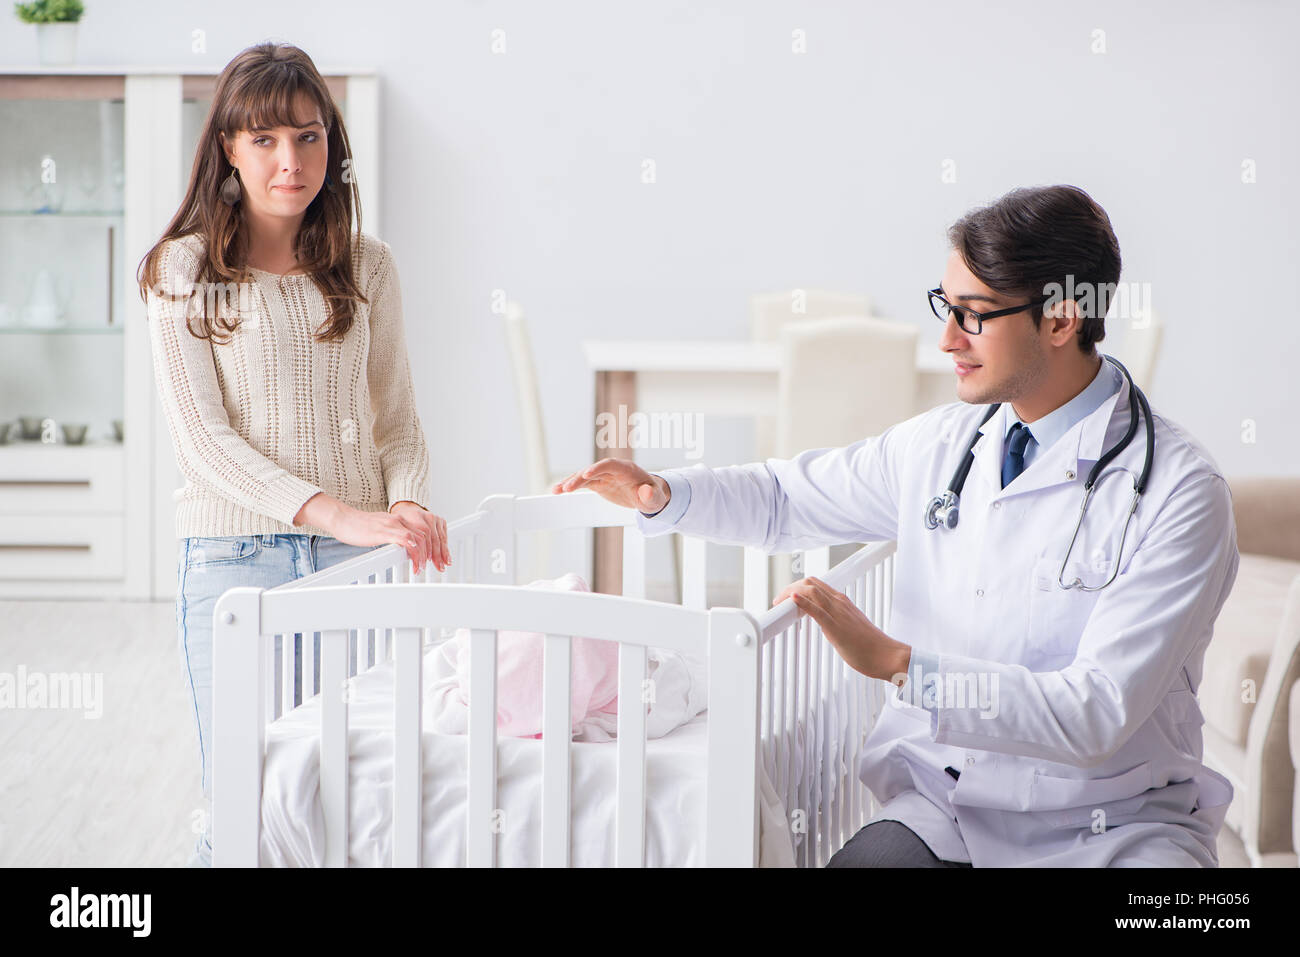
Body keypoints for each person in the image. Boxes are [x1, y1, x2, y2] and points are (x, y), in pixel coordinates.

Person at [553, 185, 1239, 867]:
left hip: (1116, 829)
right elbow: (787, 497)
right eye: (947, 307)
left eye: (972, 317)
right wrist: (663, 493)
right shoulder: (943, 446)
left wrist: (901, 666)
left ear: (1060, 321)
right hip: (947, 810)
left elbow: (1096, 710)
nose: (946, 340)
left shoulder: (1180, 493)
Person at [137, 42, 449, 868]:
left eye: (309, 138)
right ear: (228, 151)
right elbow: (204, 442)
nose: (290, 161)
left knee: (358, 803)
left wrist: (407, 498)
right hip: (237, 563)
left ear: (332, 147)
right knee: (247, 808)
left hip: (357, 566)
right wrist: (338, 511)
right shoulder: (184, 268)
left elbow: (398, 419)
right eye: (266, 140)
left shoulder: (367, 265)